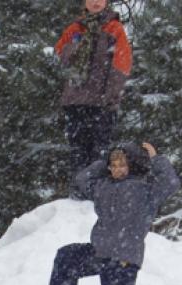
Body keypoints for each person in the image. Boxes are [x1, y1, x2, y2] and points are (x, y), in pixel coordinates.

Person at [33, 142, 178, 285]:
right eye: (114, 165)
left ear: (133, 166)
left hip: (123, 261)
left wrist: (155, 158)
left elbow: (170, 182)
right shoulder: (103, 186)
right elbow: (82, 179)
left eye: (122, 165)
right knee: (67, 256)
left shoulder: (146, 192)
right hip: (98, 253)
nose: (117, 170)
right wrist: (105, 160)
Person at [55, 0, 132, 188]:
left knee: (99, 149)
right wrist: (74, 48)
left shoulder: (114, 29)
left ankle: (97, 191)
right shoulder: (74, 29)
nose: (96, 2)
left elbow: (121, 65)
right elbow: (59, 56)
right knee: (77, 149)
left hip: (102, 102)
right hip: (75, 100)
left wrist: (111, 96)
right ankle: (79, 190)